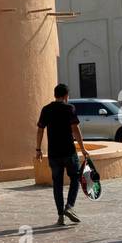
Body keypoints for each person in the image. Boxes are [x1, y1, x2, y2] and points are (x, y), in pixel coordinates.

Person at [35, 84, 89, 226]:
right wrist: (83, 149)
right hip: (69, 152)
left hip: (53, 154)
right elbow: (75, 130)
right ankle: (69, 206)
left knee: (57, 184)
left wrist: (38, 149)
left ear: (55, 95)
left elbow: (40, 130)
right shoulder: (69, 109)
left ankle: (60, 216)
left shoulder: (46, 110)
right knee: (75, 178)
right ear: (66, 96)